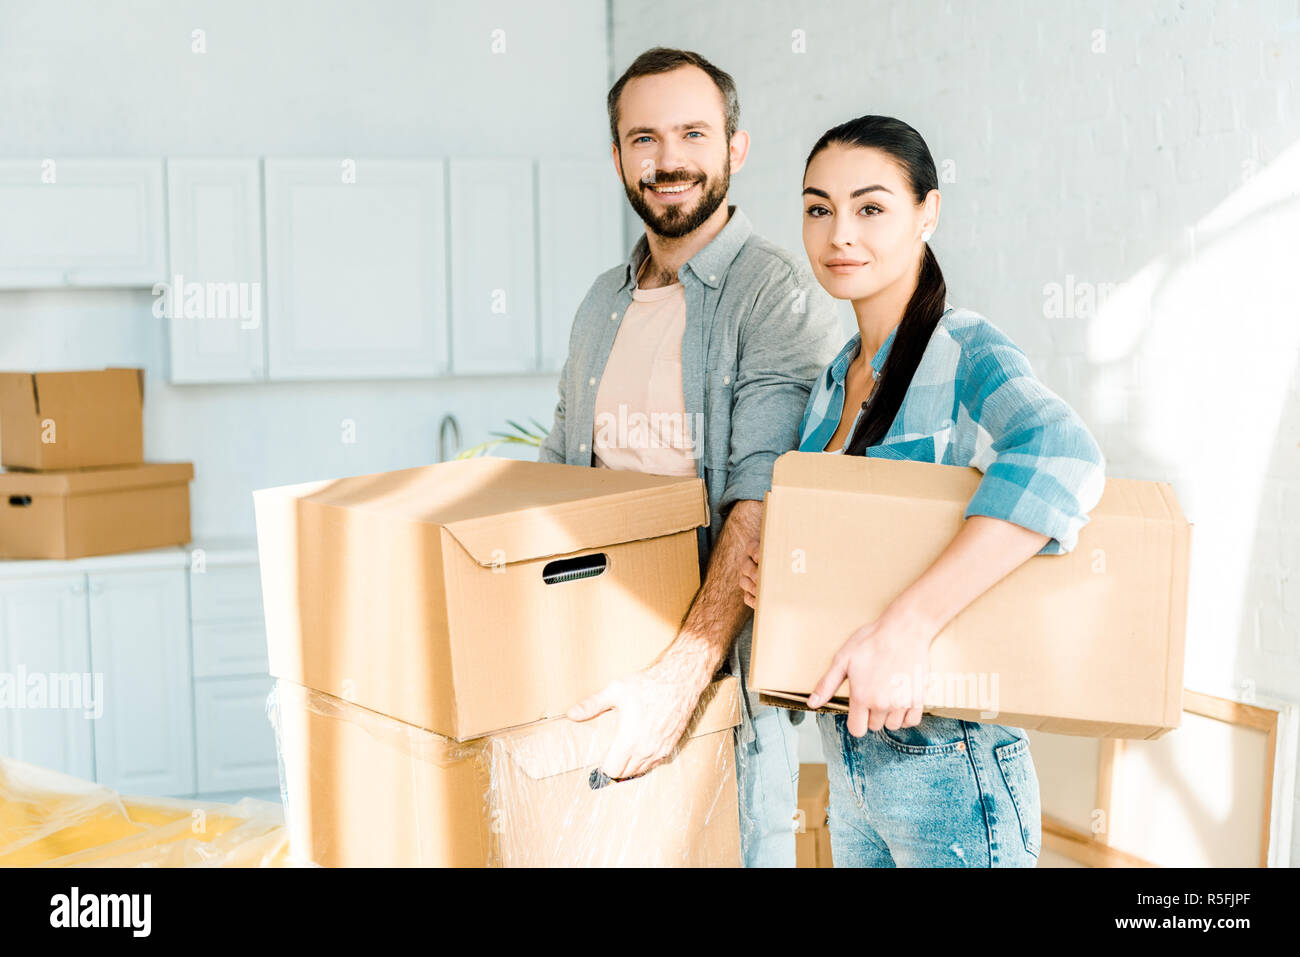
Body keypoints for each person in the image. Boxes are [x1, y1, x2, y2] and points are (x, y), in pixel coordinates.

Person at [739, 114, 1106, 867]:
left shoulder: (964, 347)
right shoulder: (832, 384)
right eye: (819, 208)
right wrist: (780, 583)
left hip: (953, 767)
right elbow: (859, 558)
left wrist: (907, 627)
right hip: (850, 766)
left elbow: (1063, 453)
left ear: (926, 213)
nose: (840, 232)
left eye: (871, 208)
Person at [537, 47, 843, 866]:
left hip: (716, 697)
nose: (668, 160)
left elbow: (761, 501)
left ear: (734, 150)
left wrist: (677, 685)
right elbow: (560, 480)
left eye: (692, 134)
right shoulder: (601, 302)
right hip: (594, 679)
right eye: (644, 139)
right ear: (617, 157)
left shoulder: (769, 293)